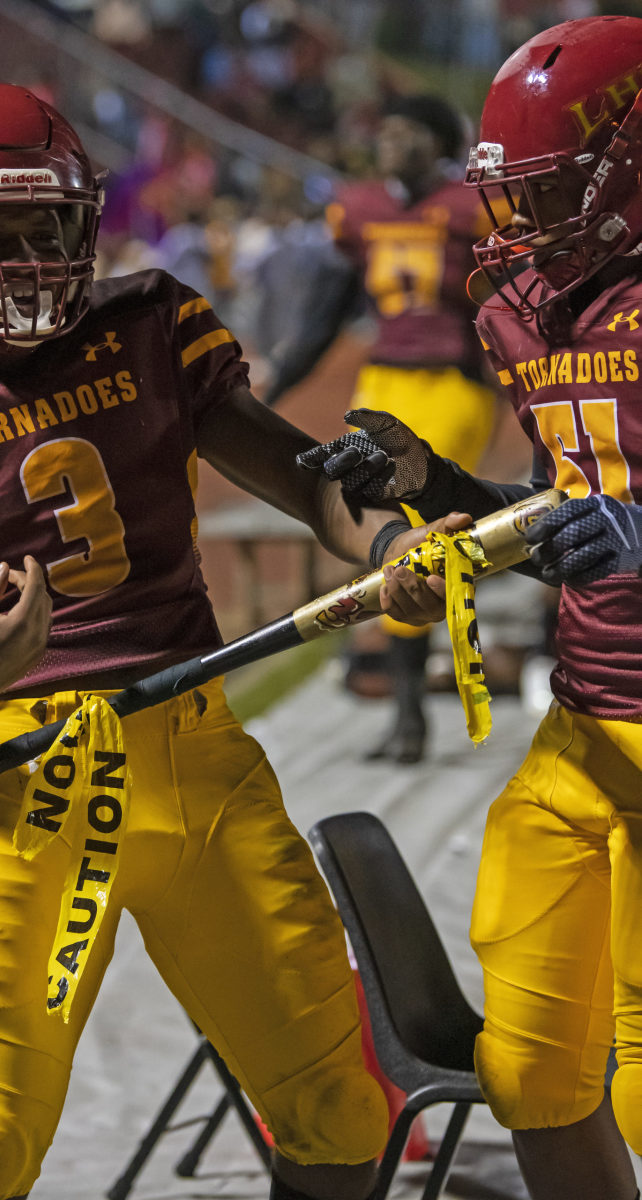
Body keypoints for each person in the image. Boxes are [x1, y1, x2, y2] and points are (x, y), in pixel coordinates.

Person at [0, 83, 468, 1200]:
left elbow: (313, 488)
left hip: (201, 761)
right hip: (32, 785)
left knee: (342, 1111)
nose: (23, 260)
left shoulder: (149, 325)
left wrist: (396, 545)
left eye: (43, 227)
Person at [299, 16, 642, 1199]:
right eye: (517, 193)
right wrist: (437, 488)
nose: (527, 222)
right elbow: (562, 520)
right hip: (585, 727)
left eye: (556, 189)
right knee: (529, 1074)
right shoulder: (523, 302)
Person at [270, 93, 504, 764]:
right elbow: (331, 310)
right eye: (387, 129)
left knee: (425, 527)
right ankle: (406, 705)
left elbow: (514, 302)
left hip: (452, 382)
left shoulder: (473, 207)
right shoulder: (361, 209)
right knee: (377, 528)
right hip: (383, 383)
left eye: (409, 131)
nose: (392, 142)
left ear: (440, 142)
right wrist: (276, 384)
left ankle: (410, 715)